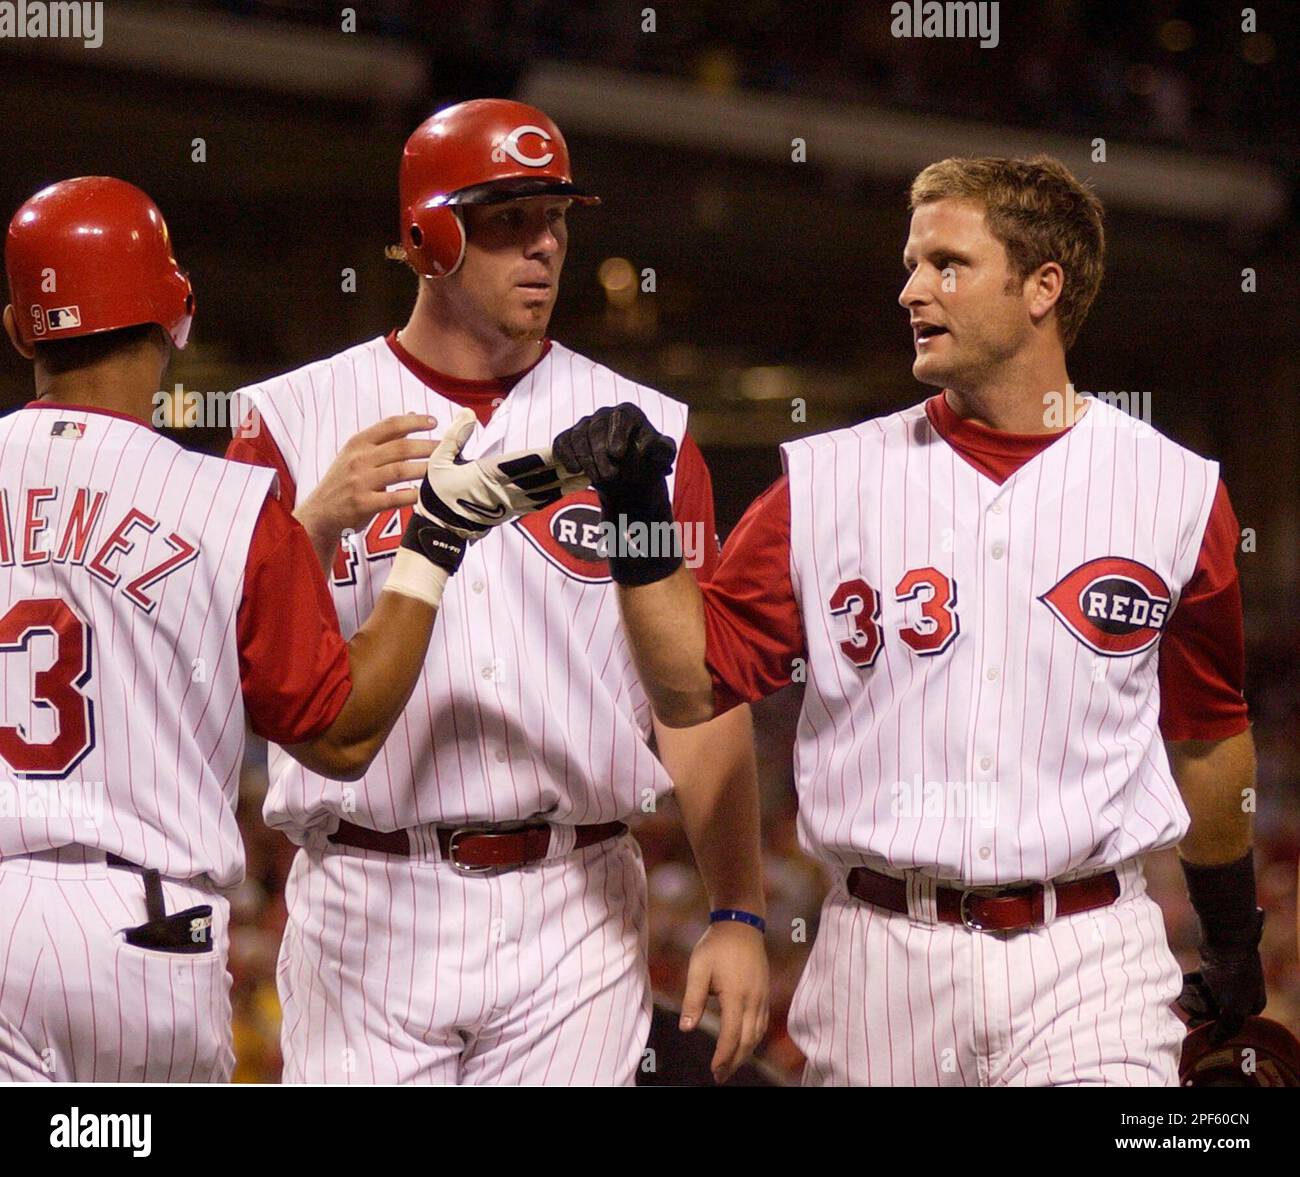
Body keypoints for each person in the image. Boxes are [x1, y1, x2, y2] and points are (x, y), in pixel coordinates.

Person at [554, 155, 1262, 1087]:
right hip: (880, 960)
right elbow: (691, 686)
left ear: (1043, 286)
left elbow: (1208, 735)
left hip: (1089, 961)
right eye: (911, 263)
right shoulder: (826, 482)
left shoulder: (1174, 489)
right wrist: (640, 518)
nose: (911, 289)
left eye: (946, 264)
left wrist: (1232, 936)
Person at [226, 98, 768, 1086]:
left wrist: (735, 906)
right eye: (509, 218)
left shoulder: (643, 430)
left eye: (555, 217)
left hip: (572, 900)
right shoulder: (290, 419)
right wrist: (309, 527)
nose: (545, 246)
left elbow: (696, 697)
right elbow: (225, 663)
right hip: (364, 895)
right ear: (430, 236)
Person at [0, 175, 555, 1081]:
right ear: (178, 314)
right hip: (144, 929)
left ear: (21, 328)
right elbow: (341, 733)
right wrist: (430, 545)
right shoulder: (224, 504)